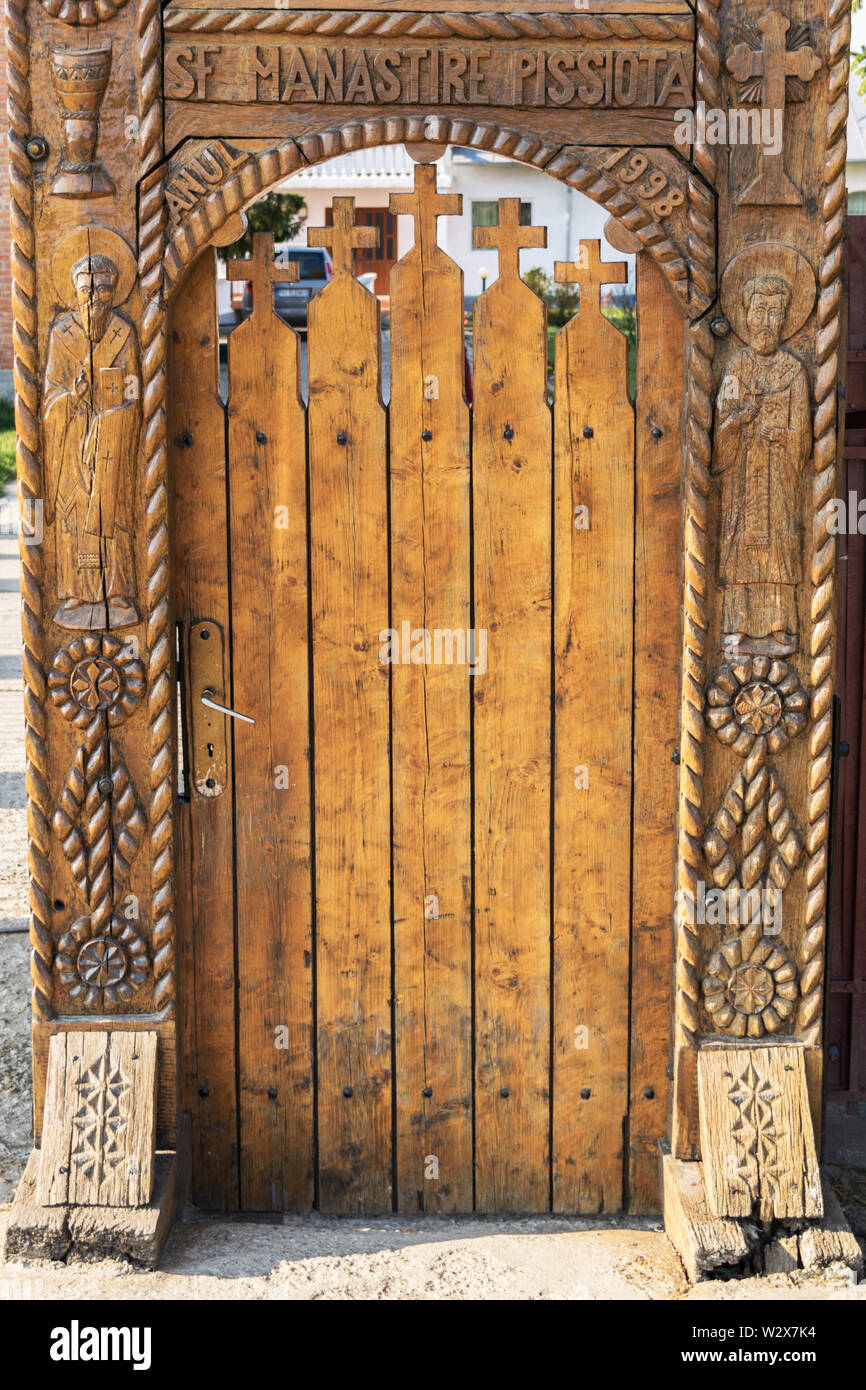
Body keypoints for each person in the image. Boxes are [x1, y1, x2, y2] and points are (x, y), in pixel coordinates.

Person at [713, 273, 812, 658]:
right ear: (746, 316)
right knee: (739, 546)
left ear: (786, 318)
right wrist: (738, 421)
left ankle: (780, 627)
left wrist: (782, 435)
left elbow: (803, 435)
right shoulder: (736, 368)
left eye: (775, 313)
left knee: (779, 544)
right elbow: (721, 426)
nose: (767, 322)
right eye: (760, 312)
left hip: (779, 480)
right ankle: (737, 627)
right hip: (741, 478)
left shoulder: (793, 372)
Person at [43, 252, 141, 631]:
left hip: (112, 443)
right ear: (74, 292)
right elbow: (50, 397)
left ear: (114, 291)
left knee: (113, 512)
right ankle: (74, 593)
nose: (94, 300)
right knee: (74, 515)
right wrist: (72, 397)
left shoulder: (123, 332)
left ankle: (118, 593)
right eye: (86, 291)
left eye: (102, 290)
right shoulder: (61, 334)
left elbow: (135, 391)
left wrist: (113, 418)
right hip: (71, 446)